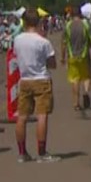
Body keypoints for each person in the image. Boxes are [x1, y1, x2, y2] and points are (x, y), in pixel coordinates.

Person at [12, 11, 60, 163]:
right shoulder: (43, 42)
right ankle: (42, 151)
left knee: (22, 116)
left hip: (25, 79)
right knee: (42, 115)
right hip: (41, 78)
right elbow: (52, 63)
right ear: (39, 22)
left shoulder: (17, 40)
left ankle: (22, 152)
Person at [61, 7, 91, 110]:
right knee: (86, 77)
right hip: (84, 55)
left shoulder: (68, 25)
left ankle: (76, 103)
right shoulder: (86, 24)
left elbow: (63, 43)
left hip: (72, 56)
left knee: (75, 79)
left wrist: (62, 57)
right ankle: (86, 92)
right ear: (80, 14)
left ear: (71, 15)